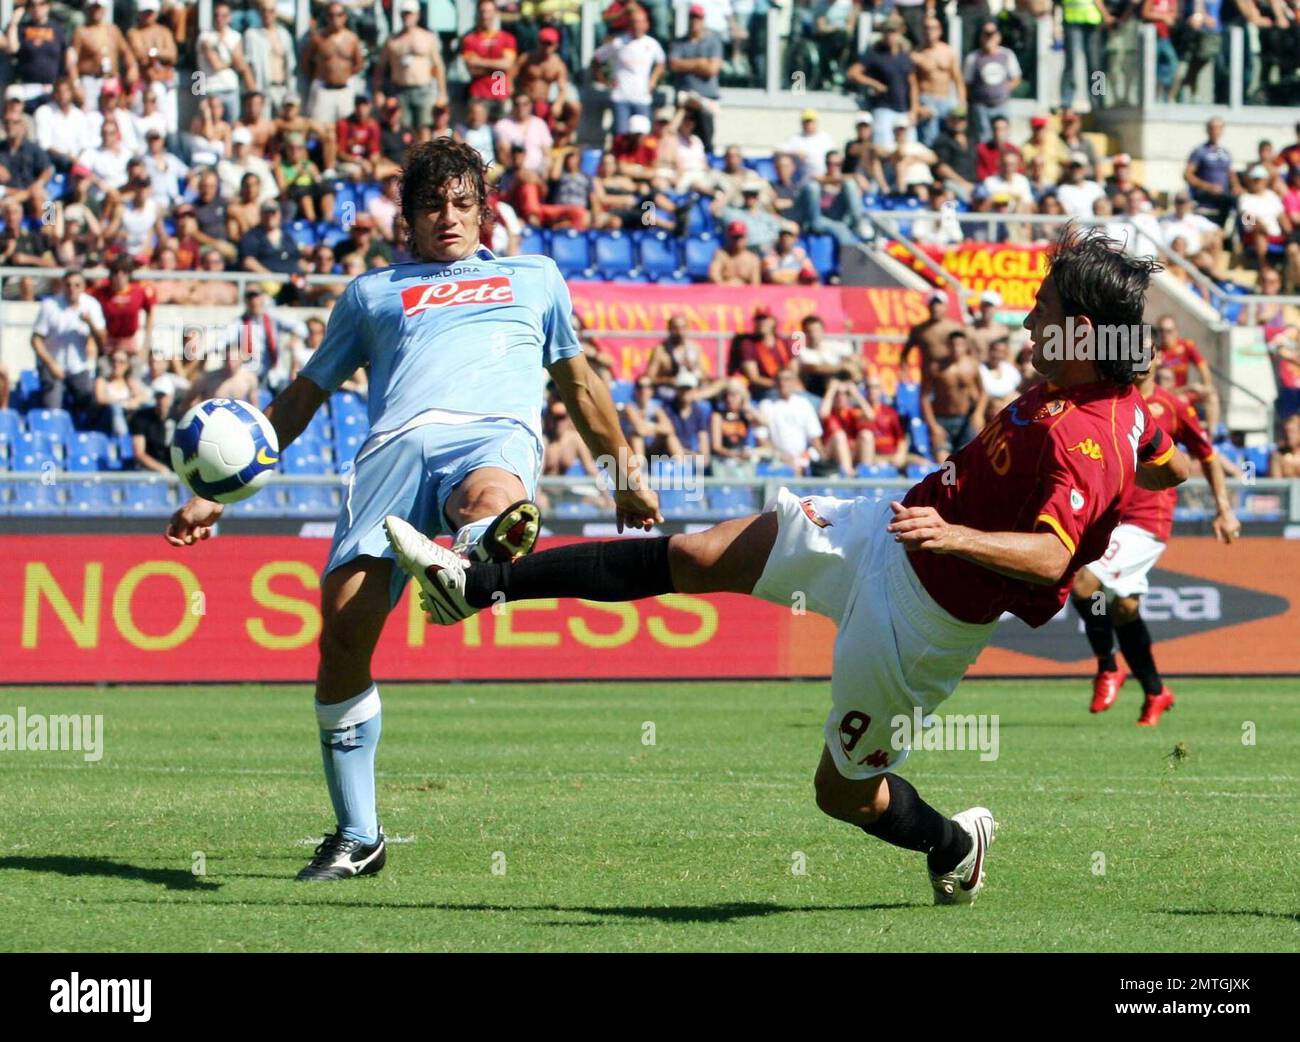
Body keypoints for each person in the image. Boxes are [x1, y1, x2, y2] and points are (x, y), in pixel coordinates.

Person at [387, 226, 1191, 906]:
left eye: (1043, 310)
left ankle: (952, 844)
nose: (1026, 317)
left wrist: (954, 536)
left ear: (1083, 333)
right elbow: (1164, 465)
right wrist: (1146, 471)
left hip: (924, 625)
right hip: (880, 532)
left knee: (840, 794)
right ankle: (477, 583)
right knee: (696, 555)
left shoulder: (1081, 439)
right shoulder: (1117, 412)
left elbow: (1052, 552)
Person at [164, 138, 660, 882]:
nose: (449, 218)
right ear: (409, 220)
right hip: (390, 454)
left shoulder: (535, 278)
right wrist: (217, 493)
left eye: (463, 204)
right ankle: (359, 836)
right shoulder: (370, 294)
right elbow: (302, 399)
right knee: (342, 635)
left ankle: (473, 551)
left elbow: (580, 387)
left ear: (484, 209)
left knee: (489, 499)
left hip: (490, 434)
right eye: (433, 206)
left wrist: (624, 472)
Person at [1070, 360, 1240, 725]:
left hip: (1147, 520)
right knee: (1124, 610)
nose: (1140, 359)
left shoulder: (1172, 406)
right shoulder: (1112, 398)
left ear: (1159, 359)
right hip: (1110, 516)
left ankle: (1107, 666)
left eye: (1147, 351)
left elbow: (1207, 455)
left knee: (1083, 583)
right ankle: (1156, 691)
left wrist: (1223, 508)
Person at [31, 268, 108, 411]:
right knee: (53, 407)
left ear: (83, 287)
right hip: (53, 364)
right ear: (63, 286)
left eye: (77, 285)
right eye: (68, 285)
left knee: (92, 404)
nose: (72, 289)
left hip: (78, 366)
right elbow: (36, 340)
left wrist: (90, 323)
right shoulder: (50, 306)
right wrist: (51, 364)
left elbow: (103, 341)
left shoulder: (91, 305)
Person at [592, 4, 665, 135]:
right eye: (635, 22)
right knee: (622, 137)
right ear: (630, 24)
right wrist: (603, 80)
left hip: (642, 97)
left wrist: (653, 80)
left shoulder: (652, 44)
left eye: (641, 22)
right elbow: (597, 58)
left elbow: (661, 62)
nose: (638, 25)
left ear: (646, 24)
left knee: (643, 137)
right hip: (621, 97)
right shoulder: (618, 42)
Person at [376, 0, 445, 130]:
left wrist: (442, 93)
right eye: (404, 14)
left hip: (424, 90)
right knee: (404, 131)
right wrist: (378, 91)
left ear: (417, 15)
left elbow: (438, 66)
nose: (407, 17)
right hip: (400, 90)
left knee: (425, 129)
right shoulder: (392, 40)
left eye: (410, 14)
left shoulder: (427, 37)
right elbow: (380, 67)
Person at [846, 16, 916, 146]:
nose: (891, 36)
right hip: (884, 108)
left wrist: (914, 109)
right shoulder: (875, 54)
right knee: (883, 146)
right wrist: (874, 84)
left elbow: (913, 85)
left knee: (908, 148)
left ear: (901, 33)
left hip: (904, 109)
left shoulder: (905, 56)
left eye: (894, 32)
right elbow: (853, 73)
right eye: (888, 31)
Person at [921, 328, 986, 460]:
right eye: (953, 345)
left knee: (969, 459)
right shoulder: (936, 368)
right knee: (943, 460)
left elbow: (983, 392)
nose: (956, 348)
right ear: (947, 346)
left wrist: (978, 413)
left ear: (965, 346)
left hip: (965, 419)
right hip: (942, 419)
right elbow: (924, 397)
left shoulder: (972, 365)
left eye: (960, 345)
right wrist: (933, 425)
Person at [303, 2, 365, 135]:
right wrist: (318, 76)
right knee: (319, 130)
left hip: (344, 90)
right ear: (326, 17)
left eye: (339, 15)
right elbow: (305, 61)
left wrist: (345, 75)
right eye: (331, 15)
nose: (335, 18)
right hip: (323, 89)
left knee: (346, 130)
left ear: (345, 17)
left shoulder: (352, 39)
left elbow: (359, 63)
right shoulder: (318, 38)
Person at [963, 20, 1022, 144]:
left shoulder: (1007, 55)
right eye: (986, 34)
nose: (989, 38)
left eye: (992, 34)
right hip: (980, 106)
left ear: (998, 36)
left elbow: (1016, 77)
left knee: (1003, 137)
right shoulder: (973, 58)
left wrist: (1004, 89)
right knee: (983, 138)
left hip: (1001, 104)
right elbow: (966, 83)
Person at [91, 255, 155, 356]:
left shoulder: (139, 291)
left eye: (124, 271)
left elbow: (150, 311)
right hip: (109, 342)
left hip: (131, 342)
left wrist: (146, 344)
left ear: (129, 274)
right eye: (116, 272)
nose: (119, 275)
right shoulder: (101, 292)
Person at [708, 220, 762, 285]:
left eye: (740, 236)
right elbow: (714, 277)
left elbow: (755, 285)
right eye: (735, 237)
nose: (738, 240)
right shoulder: (721, 255)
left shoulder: (753, 259)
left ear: (746, 238)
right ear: (728, 237)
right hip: (723, 293)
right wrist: (729, 285)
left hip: (745, 293)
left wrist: (740, 287)